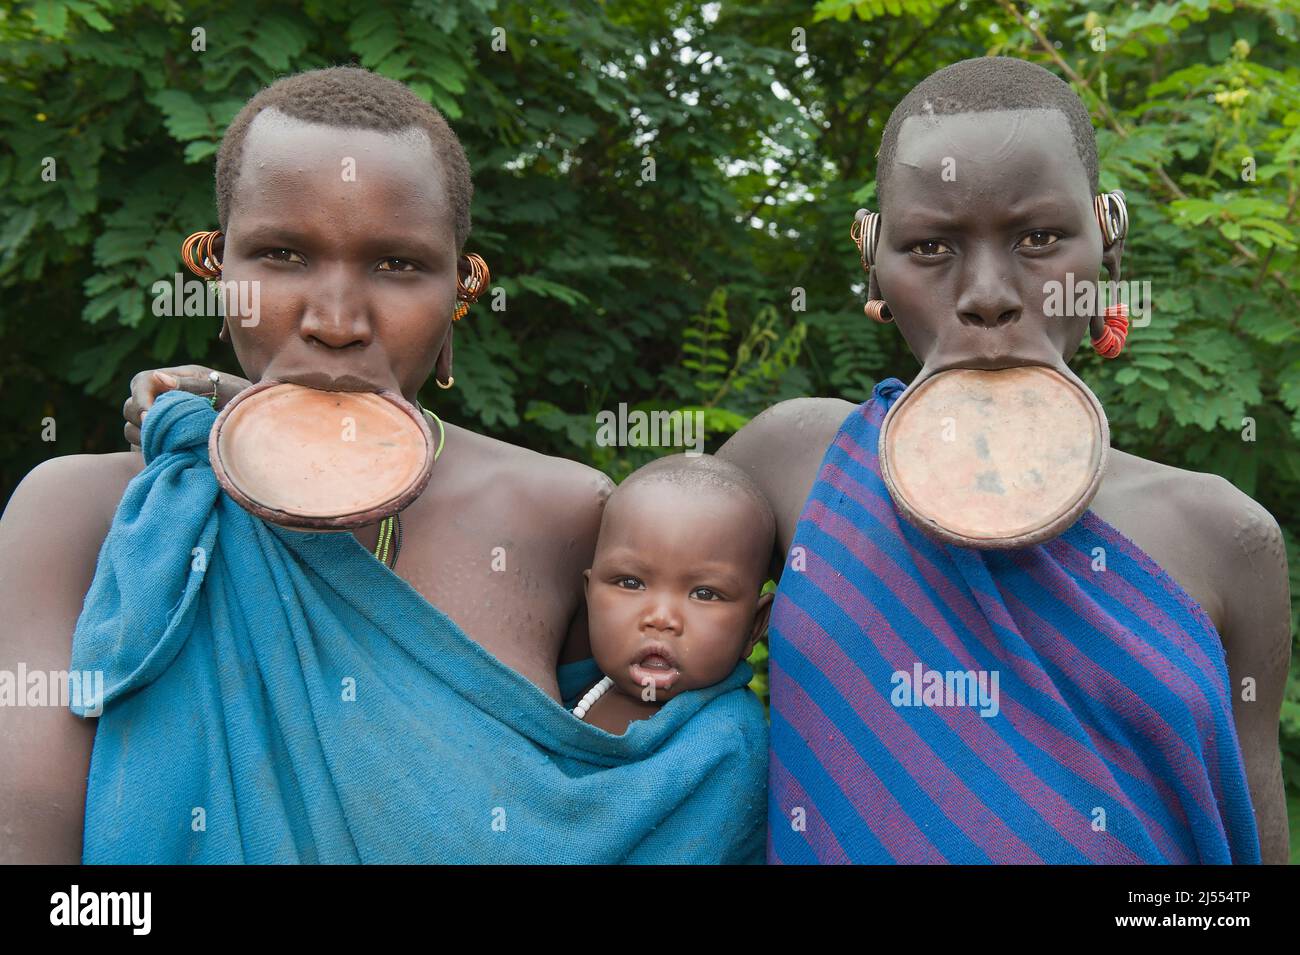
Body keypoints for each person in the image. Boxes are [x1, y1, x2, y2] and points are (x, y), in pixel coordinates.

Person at [0, 66, 753, 864]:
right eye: (282, 254)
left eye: (397, 265)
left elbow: (636, 794)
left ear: (461, 291)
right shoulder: (81, 514)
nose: (335, 321)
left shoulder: (563, 515)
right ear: (222, 275)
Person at [719, 57, 1290, 864]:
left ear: (1109, 241)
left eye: (1040, 237)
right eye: (930, 247)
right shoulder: (792, 466)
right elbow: (638, 710)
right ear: (872, 261)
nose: (988, 292)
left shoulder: (1226, 536)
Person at [573, 453, 774, 738]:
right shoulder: (572, 681)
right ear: (589, 596)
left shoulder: (723, 740)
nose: (661, 618)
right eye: (631, 583)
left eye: (704, 594)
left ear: (754, 626)